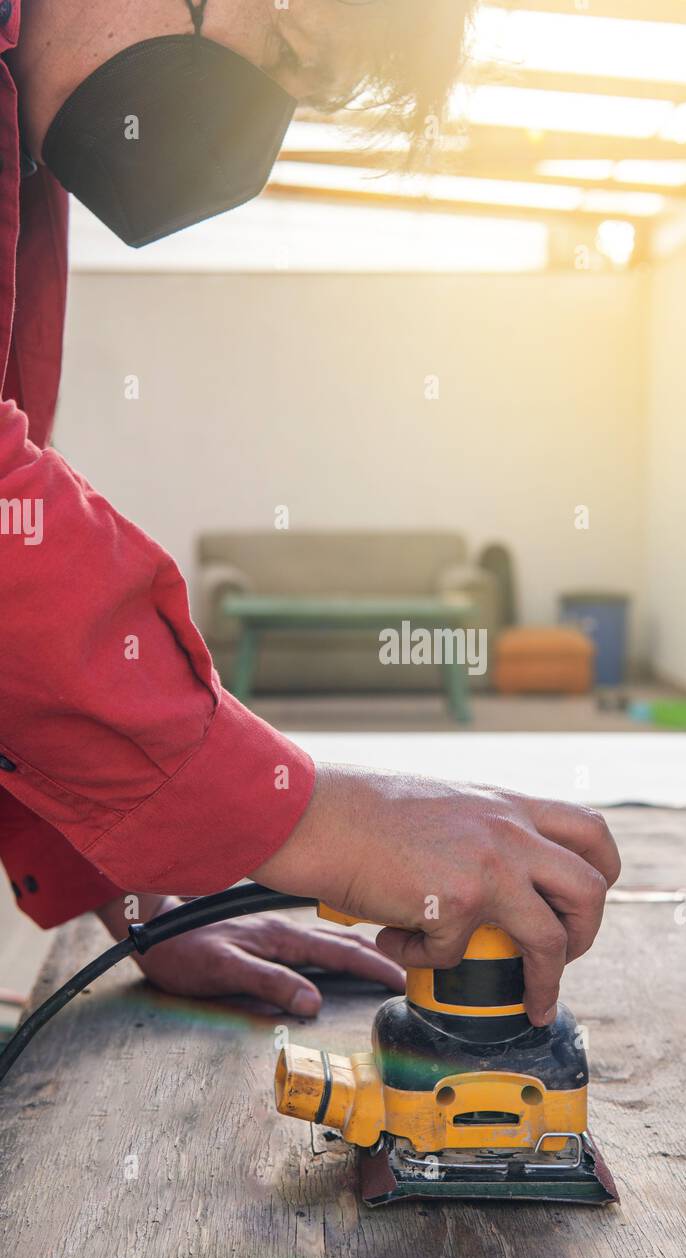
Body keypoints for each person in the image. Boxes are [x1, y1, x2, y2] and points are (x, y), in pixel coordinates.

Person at [0, 0, 620, 1027]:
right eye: (283, 52)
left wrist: (146, 876)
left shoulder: (26, 156)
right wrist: (313, 813)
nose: (255, 120)